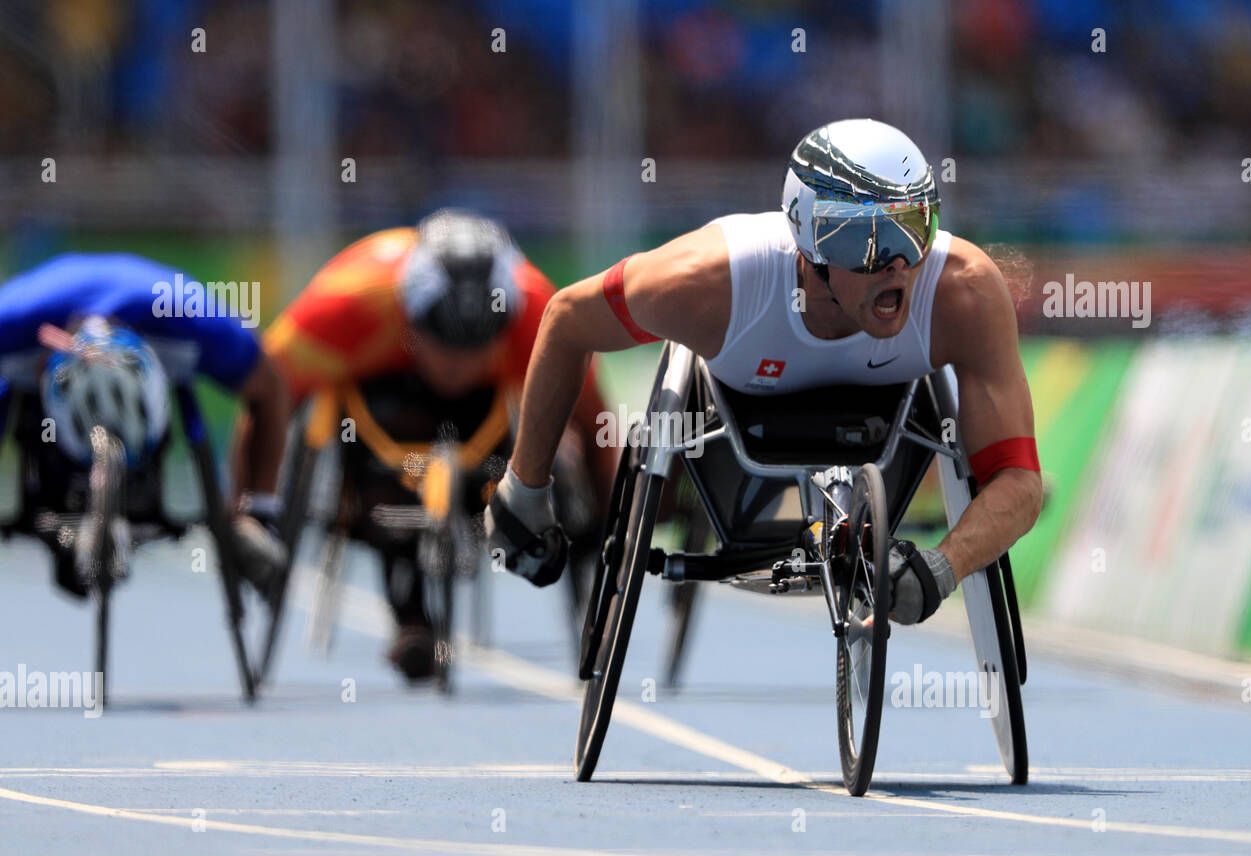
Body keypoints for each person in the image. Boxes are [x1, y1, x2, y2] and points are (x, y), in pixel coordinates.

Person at [488, 118, 1043, 625]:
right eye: (862, 239)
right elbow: (566, 319)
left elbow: (1020, 481)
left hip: (887, 422)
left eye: (911, 229)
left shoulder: (964, 291)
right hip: (732, 414)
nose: (896, 263)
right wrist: (525, 490)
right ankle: (672, 500)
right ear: (807, 238)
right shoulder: (711, 281)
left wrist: (942, 569)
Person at [252, 209, 615, 681]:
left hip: (482, 416)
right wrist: (252, 508)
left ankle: (477, 502)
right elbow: (264, 396)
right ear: (411, 316)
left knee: (507, 421)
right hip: (380, 404)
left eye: (476, 345)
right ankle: (411, 614)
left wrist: (609, 529)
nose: (457, 366)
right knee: (365, 417)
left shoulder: (539, 317)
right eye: (445, 344)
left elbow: (595, 421)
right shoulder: (347, 304)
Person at [0, 252, 290, 597]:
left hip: (151, 307)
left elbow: (270, 388)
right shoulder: (13, 324)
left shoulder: (193, 320)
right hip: (40, 337)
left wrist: (255, 510)